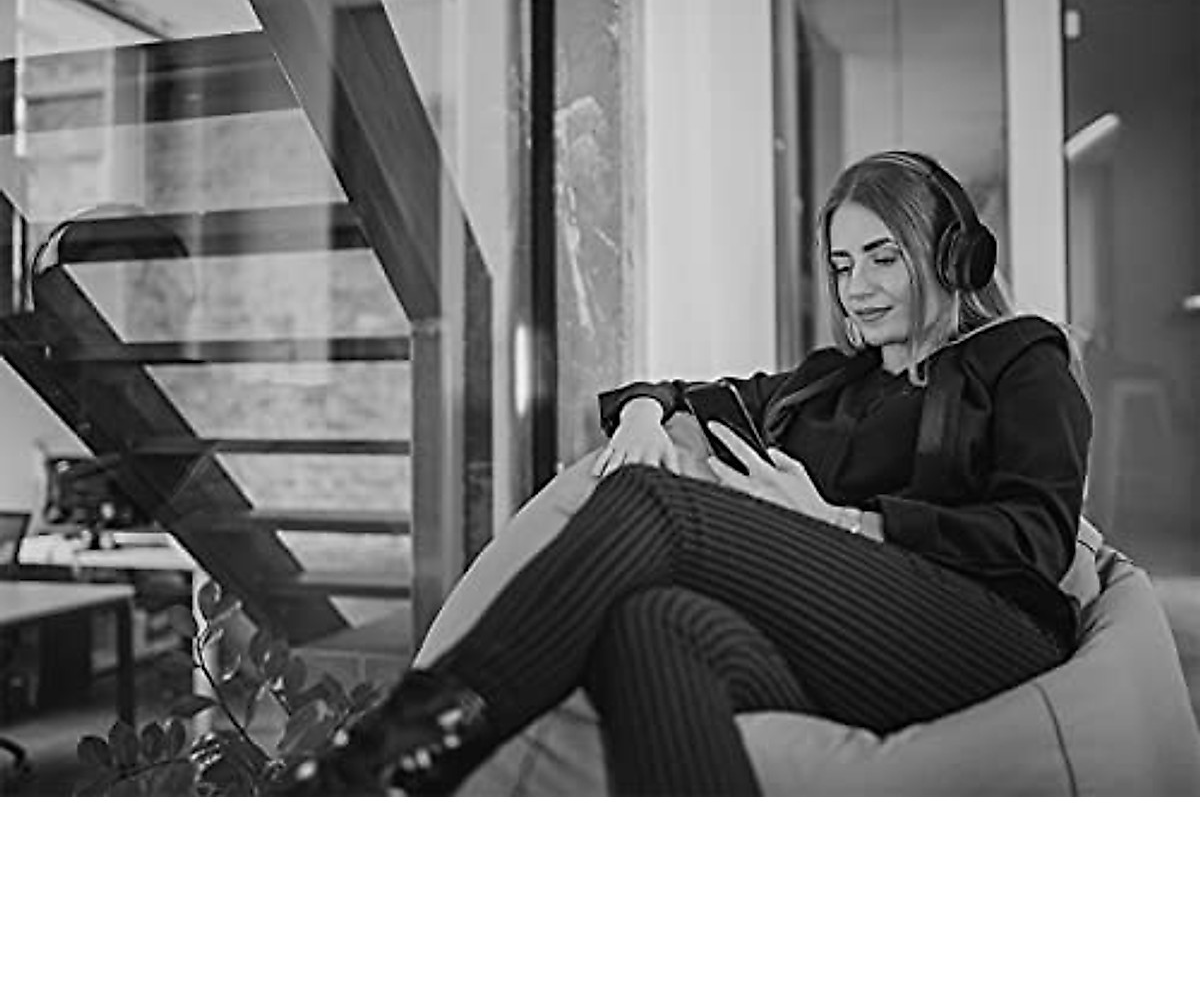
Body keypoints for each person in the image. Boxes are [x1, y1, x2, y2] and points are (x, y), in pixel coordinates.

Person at [283, 150, 1093, 796]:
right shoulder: (829, 383)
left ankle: (378, 770)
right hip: (857, 647)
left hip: (986, 634)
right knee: (651, 624)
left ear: (951, 255)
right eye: (844, 265)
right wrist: (642, 415)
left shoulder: (1023, 361)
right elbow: (675, 393)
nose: (859, 288)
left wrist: (844, 522)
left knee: (658, 504)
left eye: (884, 258)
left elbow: (1038, 540)